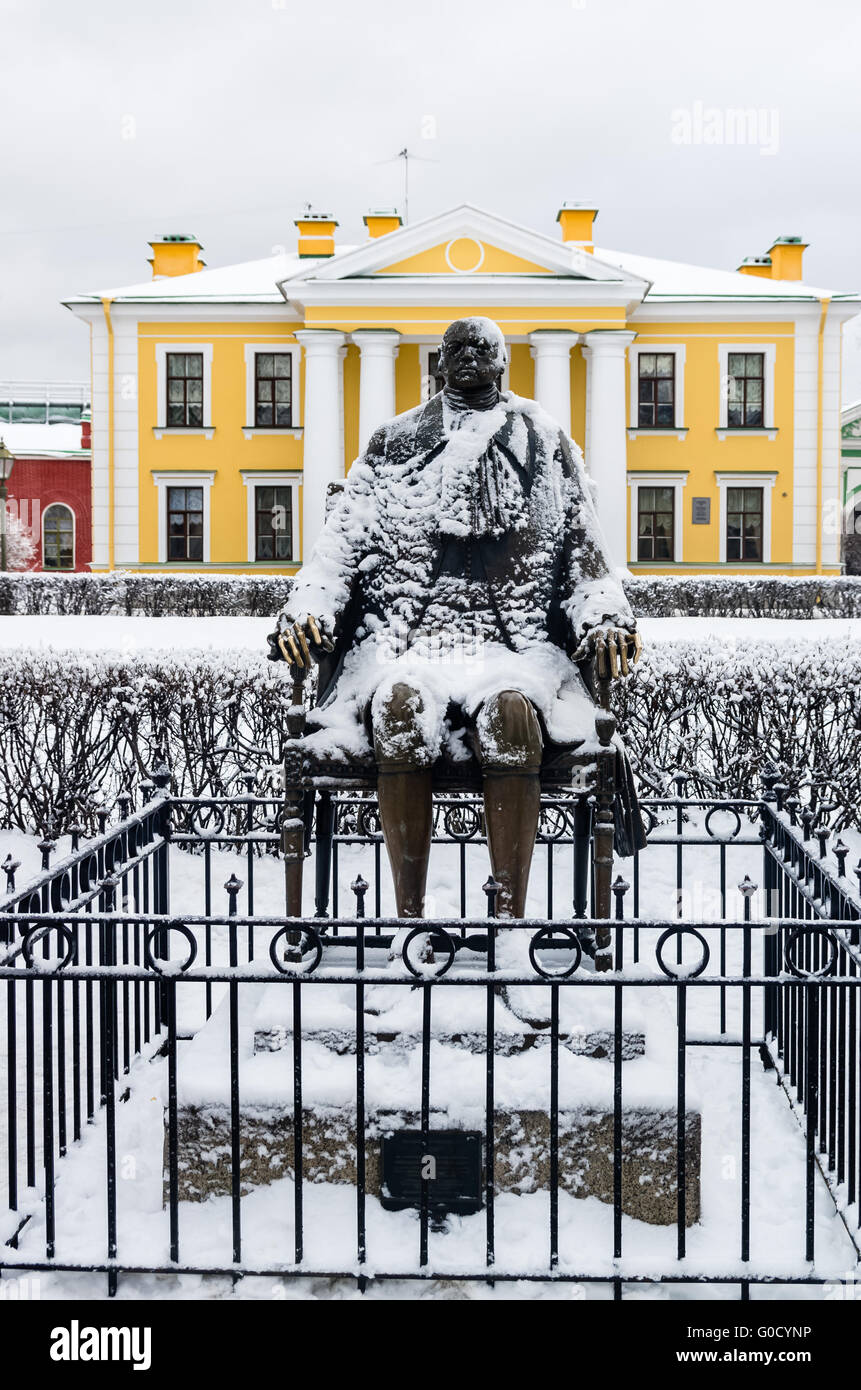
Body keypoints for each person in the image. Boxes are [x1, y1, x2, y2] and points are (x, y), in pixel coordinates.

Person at [268, 316, 643, 919]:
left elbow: (586, 550)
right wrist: (308, 607)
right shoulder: (394, 441)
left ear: (503, 363)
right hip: (412, 644)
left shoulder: (543, 441)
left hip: (515, 649)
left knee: (512, 720)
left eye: (481, 348)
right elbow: (339, 545)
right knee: (399, 712)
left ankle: (509, 925)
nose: (467, 358)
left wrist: (603, 616)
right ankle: (410, 925)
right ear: (438, 364)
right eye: (455, 349)